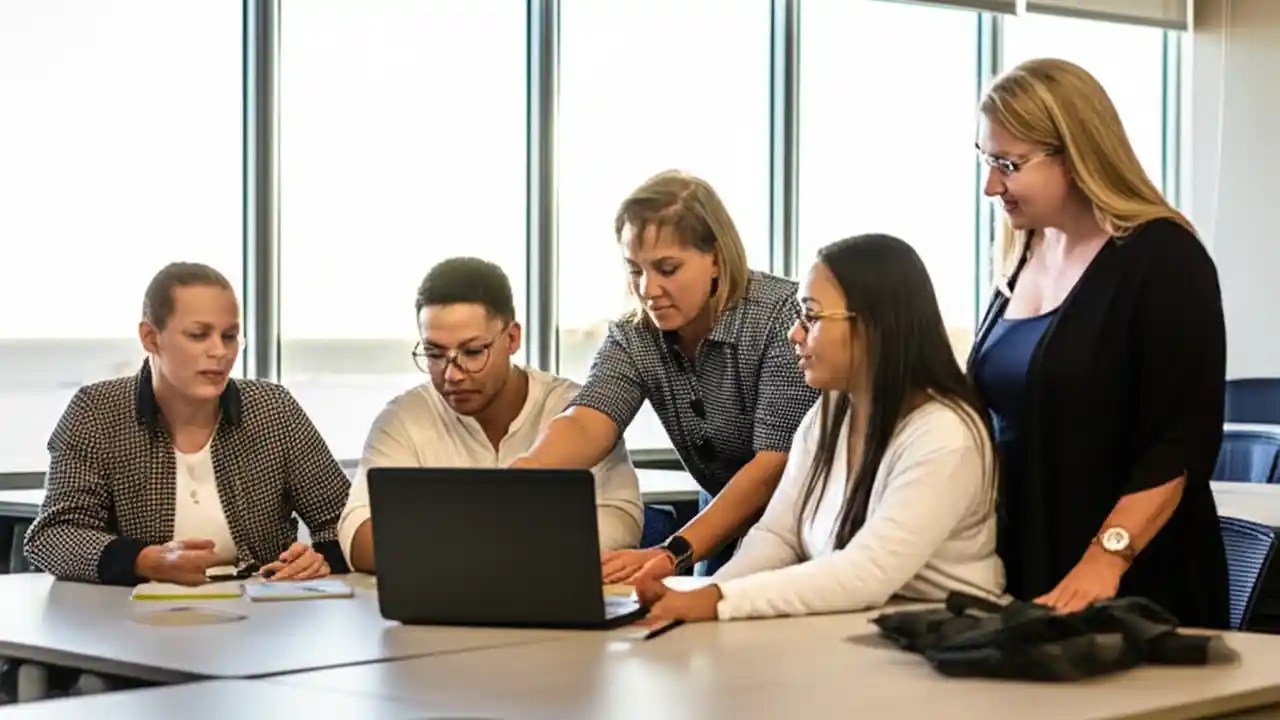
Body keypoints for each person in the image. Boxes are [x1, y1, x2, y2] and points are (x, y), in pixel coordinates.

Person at [967, 58, 1229, 627]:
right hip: (1022, 562)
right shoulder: (1020, 251)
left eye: (1009, 164)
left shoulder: (1163, 259)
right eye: (986, 161)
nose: (991, 186)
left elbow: (1179, 443)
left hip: (1132, 579)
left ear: (1076, 152)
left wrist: (1106, 556)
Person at [636, 234, 1004, 621]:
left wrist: (717, 602)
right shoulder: (830, 412)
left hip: (944, 645)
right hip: (857, 635)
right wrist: (714, 592)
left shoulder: (944, 434)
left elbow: (867, 573)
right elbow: (778, 535)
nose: (795, 333)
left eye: (811, 317)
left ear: (874, 326)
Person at [512, 170, 819, 583]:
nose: (648, 288)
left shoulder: (781, 317)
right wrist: (531, 470)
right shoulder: (634, 334)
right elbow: (588, 419)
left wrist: (672, 552)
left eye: (667, 268)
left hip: (805, 526)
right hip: (717, 524)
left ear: (716, 258)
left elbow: (774, 464)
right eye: (635, 270)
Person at [23, 262, 350, 587]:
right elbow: (53, 535)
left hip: (264, 617)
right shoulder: (97, 411)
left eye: (230, 336)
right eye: (198, 335)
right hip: (136, 623)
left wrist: (317, 560)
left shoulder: (274, 409)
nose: (219, 351)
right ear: (151, 337)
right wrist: (145, 561)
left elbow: (344, 522)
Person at [339, 258, 642, 572]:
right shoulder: (403, 418)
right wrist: (501, 540)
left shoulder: (579, 410)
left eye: (472, 352)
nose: (452, 374)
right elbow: (358, 535)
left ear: (512, 338)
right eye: (434, 354)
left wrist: (445, 538)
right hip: (444, 609)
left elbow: (621, 523)